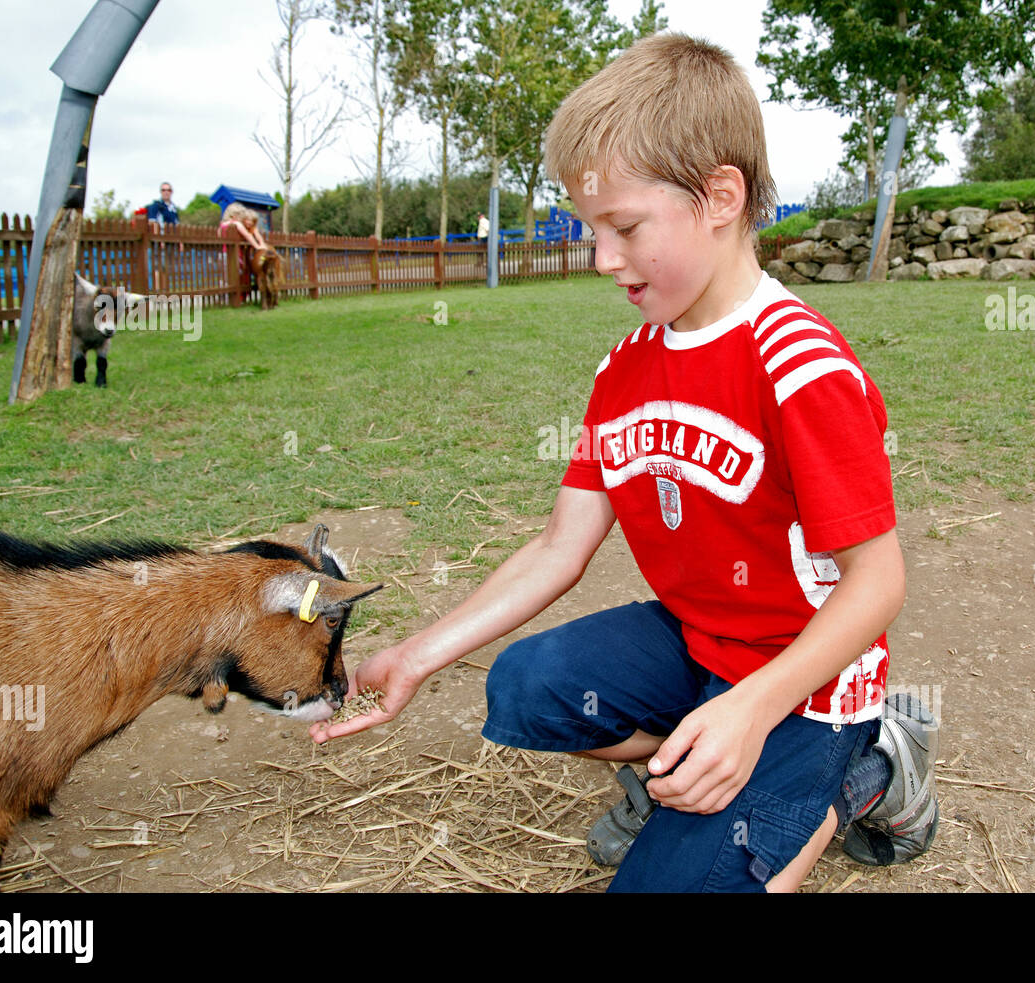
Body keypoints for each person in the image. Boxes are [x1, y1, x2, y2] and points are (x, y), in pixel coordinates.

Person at [311, 33, 938, 892]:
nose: (603, 260)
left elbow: (879, 582)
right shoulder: (626, 366)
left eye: (626, 227)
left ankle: (863, 774)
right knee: (525, 686)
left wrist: (752, 710)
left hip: (806, 681)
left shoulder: (801, 366)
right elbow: (557, 550)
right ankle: (695, 761)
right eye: (591, 230)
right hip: (697, 644)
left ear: (721, 196)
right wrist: (418, 653)